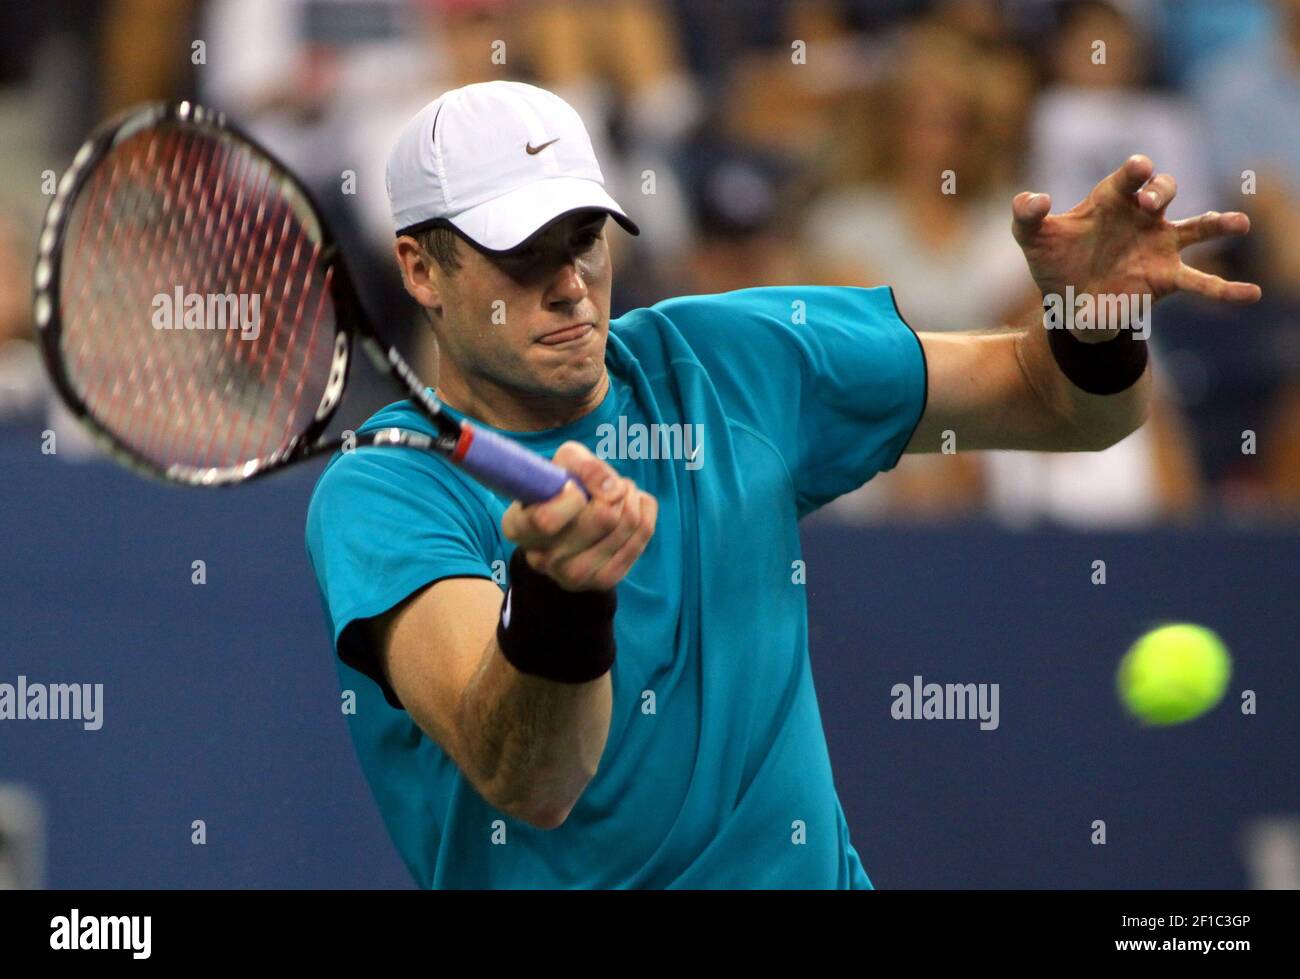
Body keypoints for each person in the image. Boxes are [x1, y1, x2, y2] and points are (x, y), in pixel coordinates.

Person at [304, 80, 1259, 888]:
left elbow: (1067, 409)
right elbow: (533, 778)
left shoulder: (735, 359)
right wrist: (561, 593)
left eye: (584, 236)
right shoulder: (389, 487)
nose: (570, 285)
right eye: (522, 254)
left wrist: (1092, 327)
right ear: (422, 268)